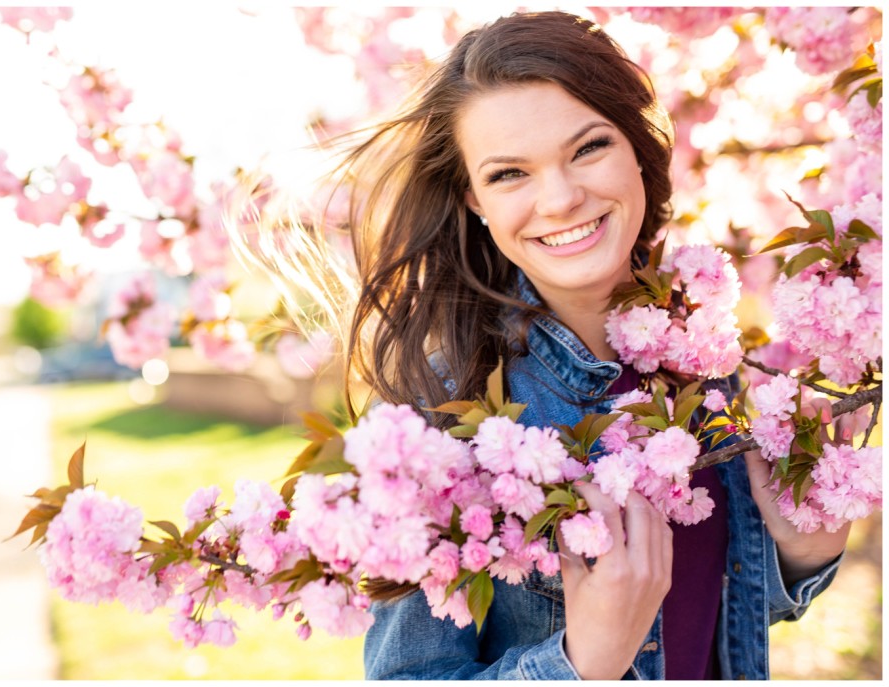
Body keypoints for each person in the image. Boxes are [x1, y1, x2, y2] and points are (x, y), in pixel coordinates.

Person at [300, 11, 849, 680]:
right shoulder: (441, 415)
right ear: (473, 198)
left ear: (637, 147)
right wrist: (580, 663)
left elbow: (710, 617)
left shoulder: (708, 357)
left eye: (588, 147)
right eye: (509, 174)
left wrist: (801, 557)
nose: (559, 198)